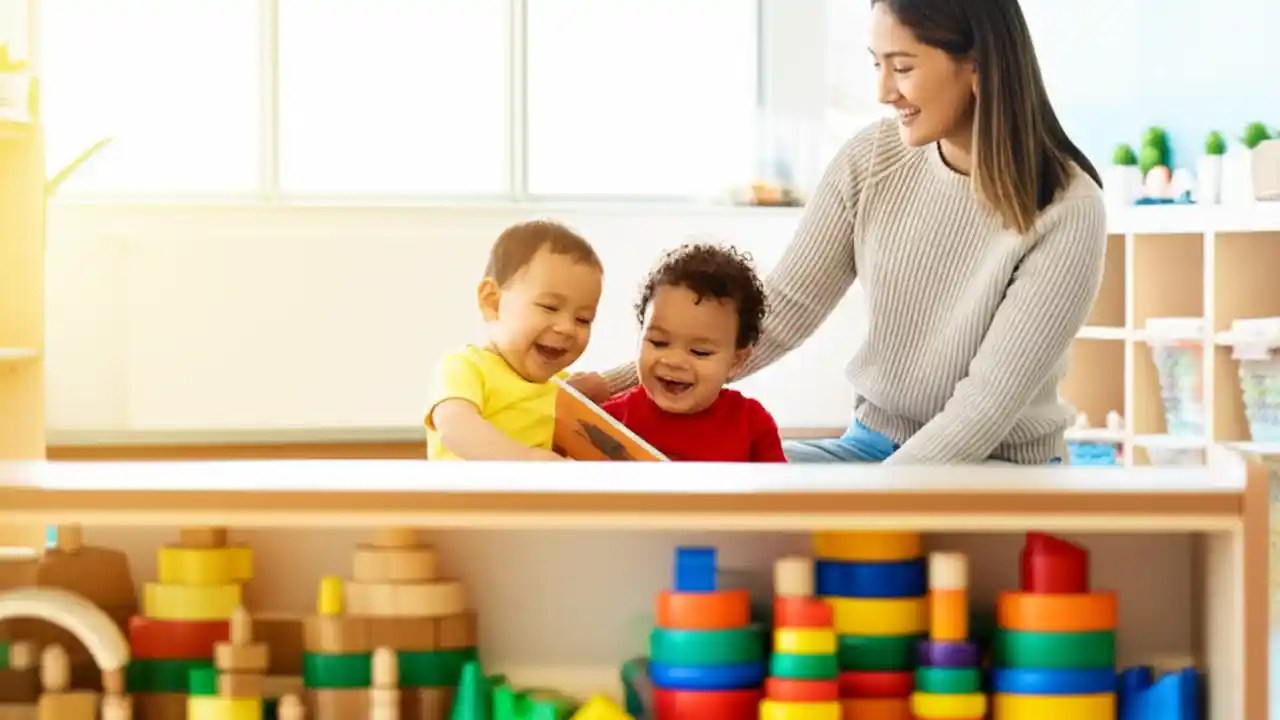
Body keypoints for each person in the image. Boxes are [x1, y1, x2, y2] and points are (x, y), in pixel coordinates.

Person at [573, 0, 1106, 465]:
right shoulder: (872, 158)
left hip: (995, 464)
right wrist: (610, 388)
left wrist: (866, 501)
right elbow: (778, 312)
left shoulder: (1067, 208)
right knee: (709, 479)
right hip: (870, 446)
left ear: (979, 65)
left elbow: (985, 407)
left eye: (902, 67)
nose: (883, 91)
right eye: (877, 64)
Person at [425, 220, 603, 460]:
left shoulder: (560, 387)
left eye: (583, 319)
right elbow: (455, 428)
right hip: (465, 497)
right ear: (493, 301)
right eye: (549, 307)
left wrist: (588, 394)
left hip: (531, 497)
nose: (567, 328)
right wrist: (525, 459)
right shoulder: (466, 367)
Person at [598, 242, 786, 462]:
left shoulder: (752, 424)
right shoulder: (607, 421)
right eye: (658, 342)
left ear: (736, 361)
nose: (674, 361)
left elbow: (781, 493)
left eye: (699, 351)